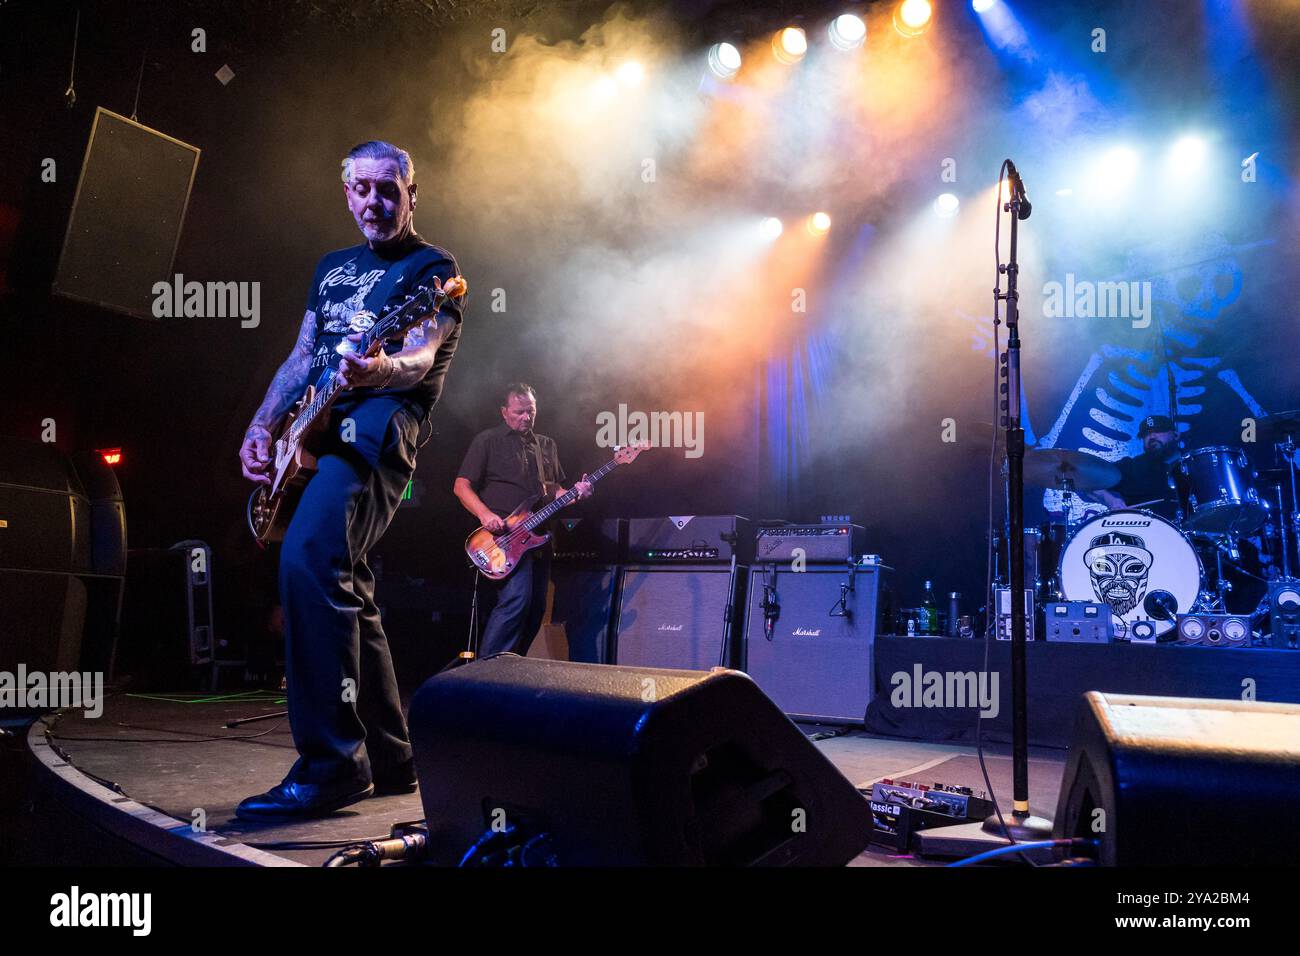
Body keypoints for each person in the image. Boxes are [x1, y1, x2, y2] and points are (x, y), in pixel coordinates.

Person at [235, 140, 466, 819]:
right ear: (347, 195)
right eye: (363, 189)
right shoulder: (331, 268)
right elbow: (303, 352)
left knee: (309, 560)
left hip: (374, 433)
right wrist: (262, 425)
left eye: (390, 189)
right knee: (346, 586)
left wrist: (375, 372)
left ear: (412, 194)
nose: (376, 201)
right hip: (312, 431)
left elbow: (420, 358)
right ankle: (392, 759)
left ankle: (331, 766)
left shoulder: (435, 271)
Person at [454, 383, 591, 657]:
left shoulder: (546, 445)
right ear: (504, 412)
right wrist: (486, 514)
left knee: (537, 607)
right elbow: (461, 486)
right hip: (502, 539)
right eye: (519, 412)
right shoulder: (488, 440)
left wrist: (577, 493)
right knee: (517, 600)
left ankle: (511, 665)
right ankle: (488, 673)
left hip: (538, 537)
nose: (526, 418)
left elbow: (553, 491)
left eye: (531, 411)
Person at [1094, 414, 1181, 517]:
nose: (1152, 437)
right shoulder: (1130, 466)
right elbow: (1090, 481)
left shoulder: (1195, 461)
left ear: (1176, 435)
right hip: (1143, 530)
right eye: (1146, 434)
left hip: (1192, 528)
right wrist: (1110, 500)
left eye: (1158, 431)